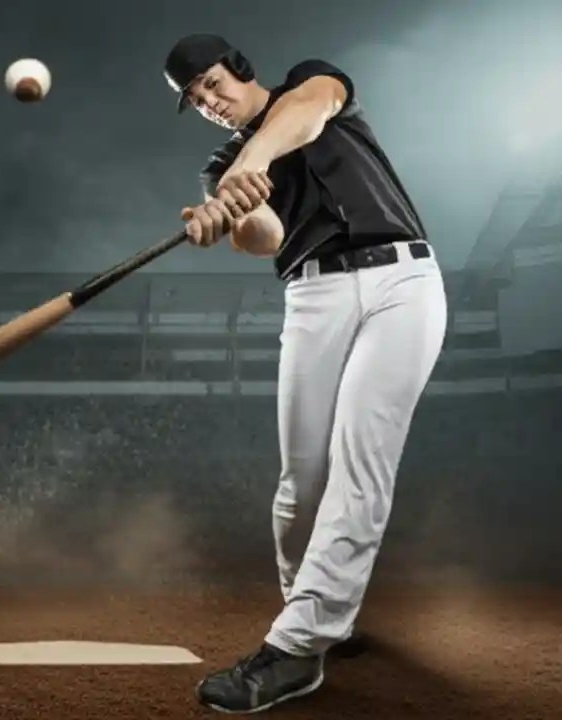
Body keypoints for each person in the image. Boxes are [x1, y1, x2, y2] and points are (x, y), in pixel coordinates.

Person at [165, 34, 449, 712]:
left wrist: (254, 158)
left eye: (211, 83)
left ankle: (296, 647)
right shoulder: (220, 165)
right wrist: (229, 211)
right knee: (303, 481)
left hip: (401, 282)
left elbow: (310, 111)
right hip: (312, 294)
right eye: (195, 99)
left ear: (239, 66)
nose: (208, 101)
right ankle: (318, 610)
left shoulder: (310, 82)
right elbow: (262, 237)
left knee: (359, 460)